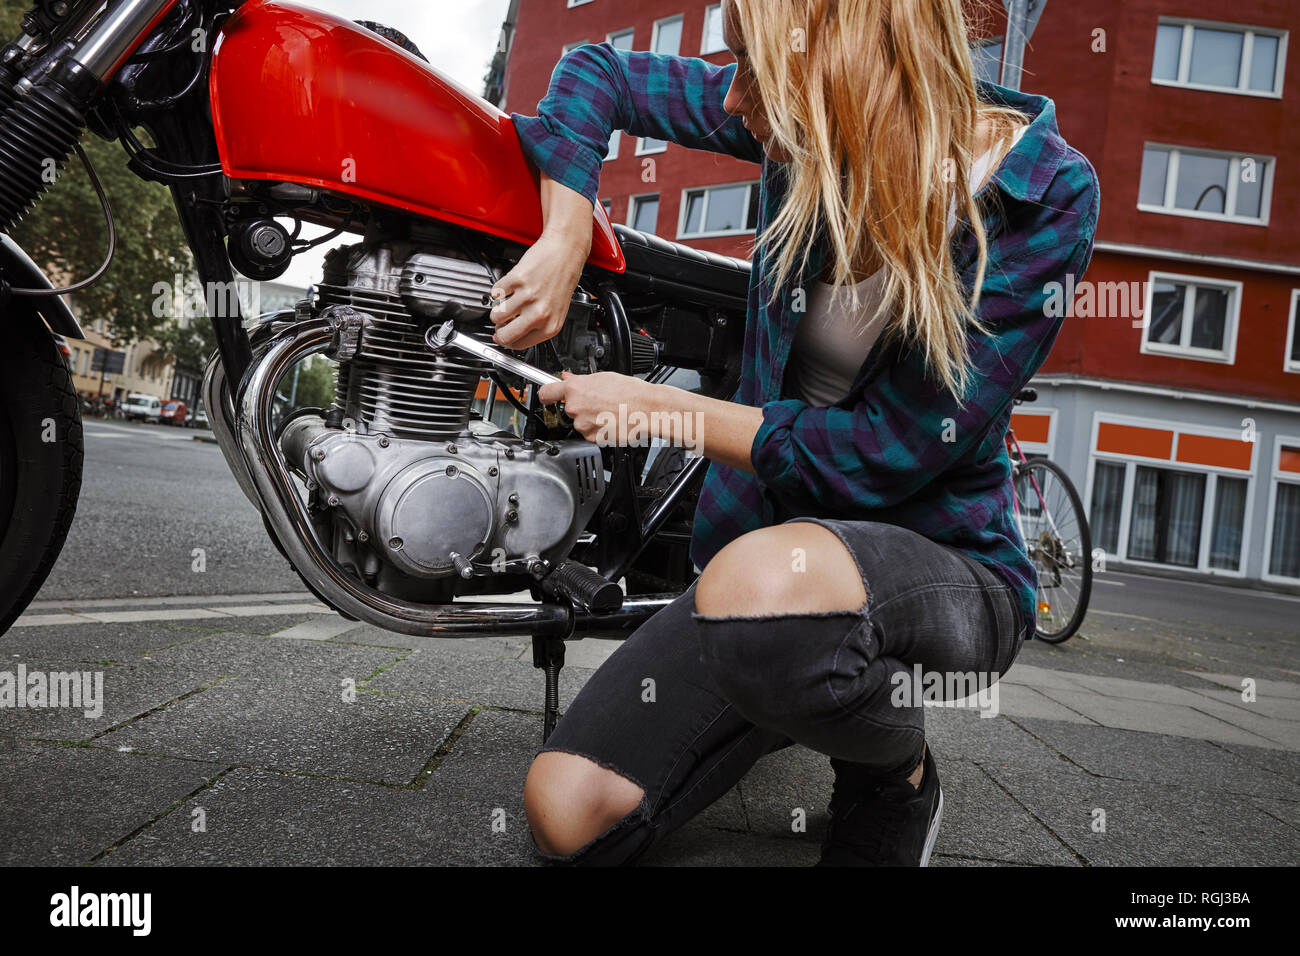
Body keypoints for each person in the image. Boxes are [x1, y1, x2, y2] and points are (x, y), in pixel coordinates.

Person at [496, 0, 1099, 866]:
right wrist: (564, 236)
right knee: (569, 811)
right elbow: (599, 72)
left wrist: (657, 408)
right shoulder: (802, 129)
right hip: (766, 572)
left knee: (764, 586)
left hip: (946, 572)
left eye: (749, 68)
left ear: (833, 62)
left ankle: (898, 770)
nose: (734, 100)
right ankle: (791, 676)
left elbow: (881, 452)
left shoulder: (1044, 193)